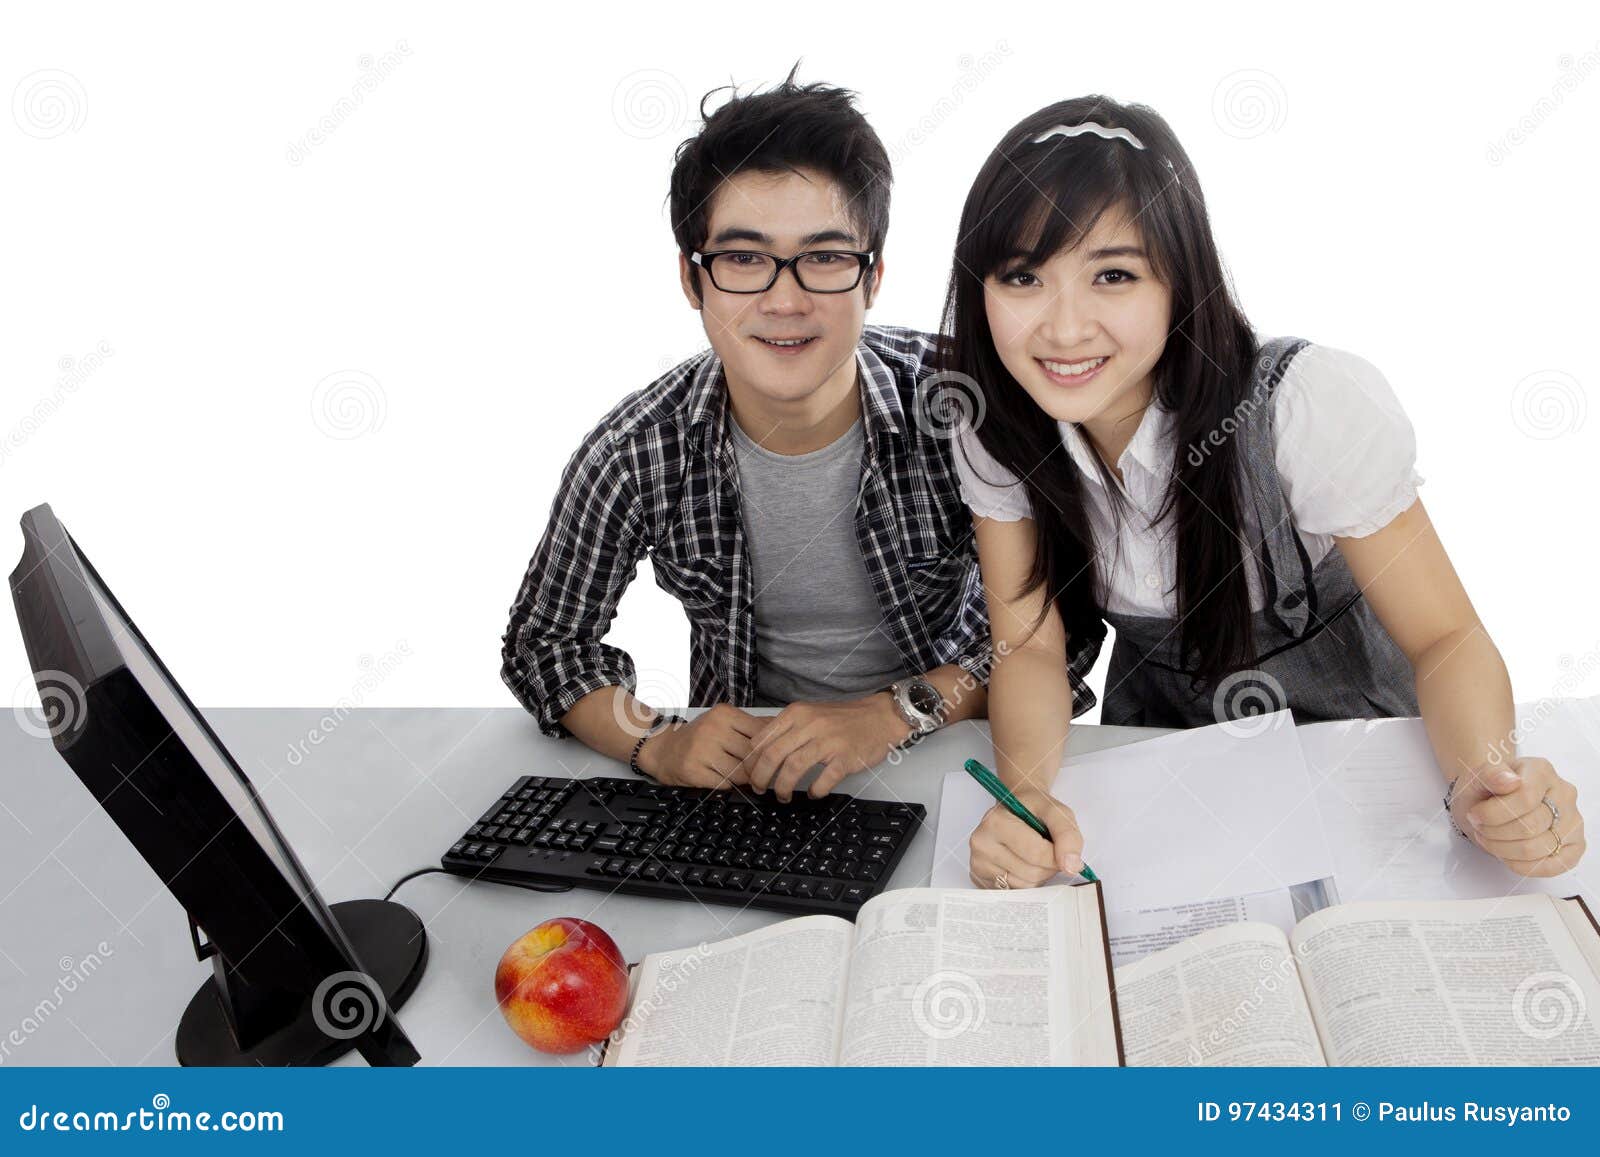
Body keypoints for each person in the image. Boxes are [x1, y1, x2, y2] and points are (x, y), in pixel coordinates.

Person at [946, 96, 1585, 887]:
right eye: (1023, 276)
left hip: (1359, 761)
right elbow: (1031, 646)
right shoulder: (995, 423)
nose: (1065, 327)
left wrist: (1486, 780)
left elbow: (1445, 635)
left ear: (1182, 280)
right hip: (1170, 767)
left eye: (1113, 274)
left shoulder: (1301, 408)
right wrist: (1028, 799)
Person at [501, 70, 990, 800]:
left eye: (824, 257)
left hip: (950, 759)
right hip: (747, 787)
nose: (784, 300)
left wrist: (895, 713)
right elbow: (544, 644)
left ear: (873, 277)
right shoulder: (639, 450)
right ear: (692, 280)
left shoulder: (961, 408)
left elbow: (1054, 636)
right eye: (743, 259)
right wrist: (658, 742)